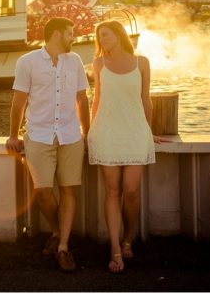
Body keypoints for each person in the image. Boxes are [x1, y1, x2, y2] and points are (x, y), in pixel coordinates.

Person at [6, 17, 90, 273]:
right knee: (43, 191)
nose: (73, 38)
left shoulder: (75, 61)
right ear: (56, 34)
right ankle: (56, 231)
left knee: (68, 190)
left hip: (70, 135)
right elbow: (19, 102)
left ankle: (63, 246)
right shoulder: (27, 62)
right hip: (39, 135)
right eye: (70, 33)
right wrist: (13, 135)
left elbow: (82, 99)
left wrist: (87, 134)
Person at [86, 19, 168, 273]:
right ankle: (115, 249)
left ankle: (128, 238)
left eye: (106, 35)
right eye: (100, 37)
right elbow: (96, 99)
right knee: (112, 190)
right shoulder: (99, 64)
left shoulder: (142, 62)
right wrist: (89, 132)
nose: (102, 40)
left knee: (131, 190)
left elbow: (146, 99)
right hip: (107, 131)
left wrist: (148, 131)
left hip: (135, 131)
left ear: (120, 35)